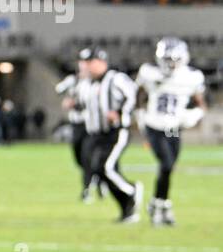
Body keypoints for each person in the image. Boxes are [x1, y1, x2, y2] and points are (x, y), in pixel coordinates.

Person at [135, 37, 206, 226]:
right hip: (154, 126)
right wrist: (140, 116)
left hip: (172, 129)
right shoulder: (149, 72)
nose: (171, 64)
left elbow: (200, 103)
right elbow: (139, 95)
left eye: (175, 60)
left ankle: (159, 203)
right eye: (167, 60)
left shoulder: (192, 77)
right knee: (166, 164)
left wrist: (195, 115)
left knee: (169, 167)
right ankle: (160, 206)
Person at [79, 49, 141, 222]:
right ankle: (127, 210)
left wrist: (120, 113)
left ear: (101, 62)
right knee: (97, 170)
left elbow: (135, 95)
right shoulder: (88, 83)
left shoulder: (116, 78)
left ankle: (131, 190)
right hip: (96, 134)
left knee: (105, 167)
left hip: (116, 131)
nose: (87, 66)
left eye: (90, 62)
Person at [55, 54, 92, 200]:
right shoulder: (73, 80)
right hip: (76, 124)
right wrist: (66, 99)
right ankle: (96, 177)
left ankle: (87, 189)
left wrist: (74, 104)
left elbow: (91, 102)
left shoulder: (94, 82)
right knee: (78, 156)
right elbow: (59, 89)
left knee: (87, 156)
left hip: (90, 124)